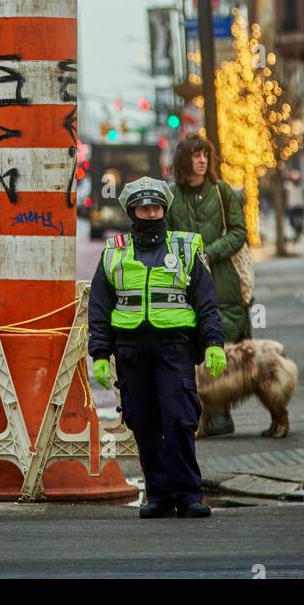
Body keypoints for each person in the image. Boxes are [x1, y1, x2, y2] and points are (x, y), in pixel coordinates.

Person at [88, 175, 226, 518]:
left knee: (179, 420)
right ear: (132, 211)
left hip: (174, 349)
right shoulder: (114, 252)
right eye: (143, 208)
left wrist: (214, 344)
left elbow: (206, 302)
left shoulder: (185, 248)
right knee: (143, 423)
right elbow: (100, 308)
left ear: (164, 209)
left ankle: (189, 495)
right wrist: (100, 355)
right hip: (132, 352)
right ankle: (159, 496)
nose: (150, 213)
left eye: (155, 207)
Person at [167, 133, 248, 436]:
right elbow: (166, 237)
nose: (201, 160)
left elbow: (239, 232)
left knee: (222, 346)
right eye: (195, 155)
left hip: (223, 281)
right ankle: (197, 415)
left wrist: (210, 253)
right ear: (183, 160)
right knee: (190, 347)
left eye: (205, 155)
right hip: (185, 284)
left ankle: (221, 413)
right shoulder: (172, 197)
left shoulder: (222, 191)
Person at [283, 167, 304, 243]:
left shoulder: (301, 184)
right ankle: (298, 232)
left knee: (299, 221)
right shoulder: (288, 185)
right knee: (292, 221)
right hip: (292, 205)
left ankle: (298, 232)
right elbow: (286, 195)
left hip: (299, 205)